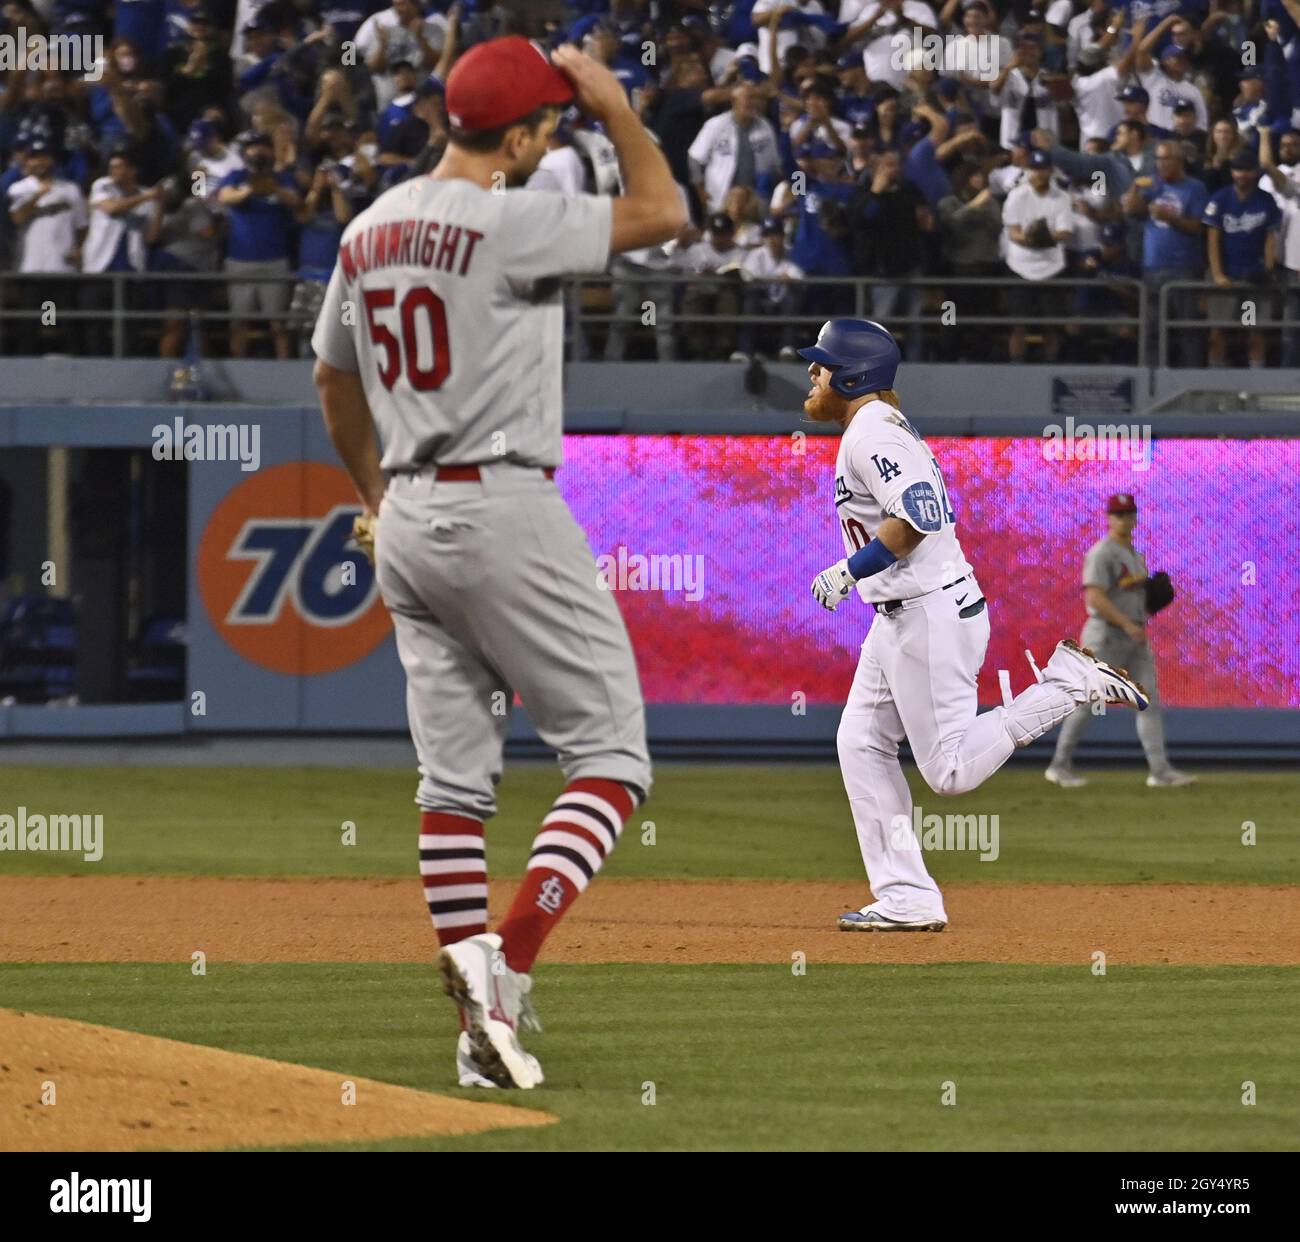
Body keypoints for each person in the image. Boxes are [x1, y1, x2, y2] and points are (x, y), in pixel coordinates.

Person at [311, 37, 684, 1090]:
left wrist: (372, 499)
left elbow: (330, 381)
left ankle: (481, 1044)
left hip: (410, 516)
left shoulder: (367, 228)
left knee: (452, 790)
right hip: (502, 498)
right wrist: (615, 109)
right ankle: (503, 971)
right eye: (546, 125)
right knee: (611, 759)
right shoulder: (507, 216)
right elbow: (665, 217)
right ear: (515, 136)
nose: (549, 136)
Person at [802, 319, 1148, 931]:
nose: (812, 372)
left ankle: (1067, 684)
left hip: (928, 611)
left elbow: (922, 513)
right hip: (905, 616)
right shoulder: (872, 426)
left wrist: (850, 570)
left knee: (951, 772)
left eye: (822, 364)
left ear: (852, 376)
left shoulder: (869, 432)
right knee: (859, 743)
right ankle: (908, 897)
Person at [1045, 494, 1193, 789]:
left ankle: (1160, 772)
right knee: (1087, 701)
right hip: (1106, 636)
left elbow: (1131, 596)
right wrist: (1127, 622)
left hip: (1134, 639)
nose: (1124, 519)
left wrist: (1146, 608)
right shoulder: (1102, 553)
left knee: (1148, 703)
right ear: (1109, 518)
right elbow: (1095, 597)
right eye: (1118, 514)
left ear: (1135, 518)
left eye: (1128, 514)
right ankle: (1058, 766)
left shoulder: (1135, 556)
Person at [1122, 140, 1207, 367]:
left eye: (1165, 159)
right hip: (1152, 267)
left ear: (1178, 161)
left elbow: (1197, 227)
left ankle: (1192, 377)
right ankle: (1152, 376)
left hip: (1184, 267)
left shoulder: (1195, 188)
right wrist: (1135, 187)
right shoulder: (1154, 185)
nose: (1160, 164)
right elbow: (1130, 209)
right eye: (1158, 159)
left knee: (1188, 328)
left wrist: (1171, 218)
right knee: (1151, 329)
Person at [217, 130, 301, 358]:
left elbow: (295, 200)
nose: (257, 151)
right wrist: (250, 189)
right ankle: (238, 367)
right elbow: (224, 197)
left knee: (278, 324)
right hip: (240, 260)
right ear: (245, 152)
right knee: (239, 322)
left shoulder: (282, 177)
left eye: (262, 146)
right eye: (252, 147)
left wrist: (273, 187)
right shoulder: (237, 175)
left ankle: (283, 371)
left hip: (275, 260)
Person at [1203, 150, 1280, 368]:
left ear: (1255, 173)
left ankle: (1254, 387)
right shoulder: (1220, 198)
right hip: (1227, 277)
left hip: (1252, 278)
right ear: (1232, 172)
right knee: (1218, 332)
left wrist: (1267, 267)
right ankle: (1215, 385)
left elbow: (1270, 238)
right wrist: (1218, 274)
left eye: (1246, 170)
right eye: (1237, 170)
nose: (1242, 175)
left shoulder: (1265, 200)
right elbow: (1212, 240)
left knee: (1254, 331)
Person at [1001, 148, 1073, 361]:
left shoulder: (1061, 197)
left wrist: (1044, 239)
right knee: (1018, 324)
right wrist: (1033, 240)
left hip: (1051, 267)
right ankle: (1016, 364)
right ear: (1029, 170)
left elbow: (1064, 232)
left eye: (1043, 169)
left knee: (1050, 326)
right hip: (1020, 266)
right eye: (1035, 169)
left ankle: (1051, 364)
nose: (1039, 174)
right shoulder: (1016, 195)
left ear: (1050, 171)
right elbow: (1014, 232)